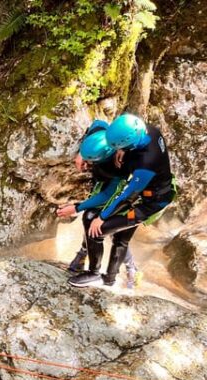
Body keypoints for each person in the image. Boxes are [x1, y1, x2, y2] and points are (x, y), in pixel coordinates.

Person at [68, 113, 175, 288]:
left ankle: (100, 275)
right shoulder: (148, 130)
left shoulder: (146, 163)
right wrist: (120, 148)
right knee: (113, 231)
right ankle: (120, 273)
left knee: (100, 229)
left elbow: (127, 196)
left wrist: (102, 217)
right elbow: (100, 125)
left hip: (150, 203)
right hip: (148, 191)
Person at [57, 121, 139, 288]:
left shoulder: (121, 166)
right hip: (103, 184)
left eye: (92, 162)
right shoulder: (104, 136)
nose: (88, 165)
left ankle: (132, 268)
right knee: (89, 221)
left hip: (124, 193)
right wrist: (82, 153)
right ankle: (83, 253)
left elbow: (108, 194)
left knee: (111, 231)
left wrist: (77, 207)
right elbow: (98, 123)